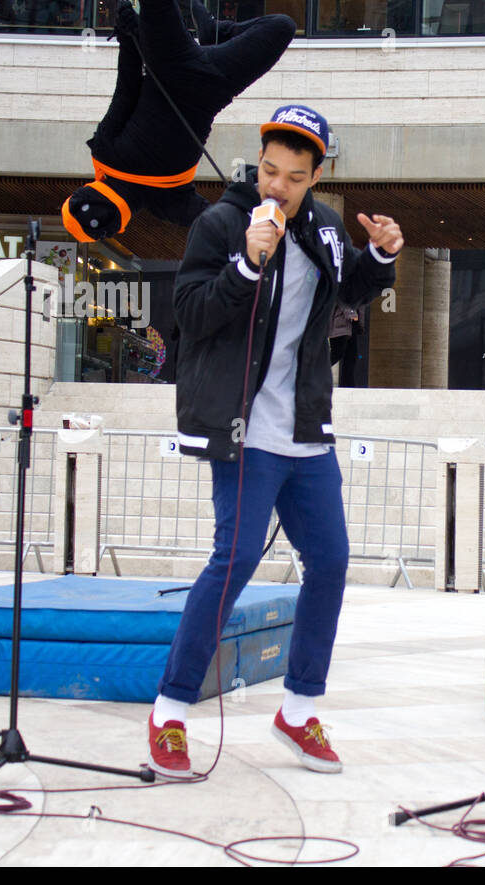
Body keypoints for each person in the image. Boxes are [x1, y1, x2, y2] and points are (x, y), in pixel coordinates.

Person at [147, 104, 403, 778]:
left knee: (332, 561)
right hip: (243, 428)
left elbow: (349, 290)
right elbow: (193, 316)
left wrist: (379, 254)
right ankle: (169, 711)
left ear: (316, 175)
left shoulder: (320, 225)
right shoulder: (223, 223)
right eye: (269, 172)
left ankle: (298, 708)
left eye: (294, 177)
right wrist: (248, 265)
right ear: (255, 165)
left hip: (304, 427)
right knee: (231, 562)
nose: (277, 188)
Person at [60, 0, 295, 244]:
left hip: (208, 82)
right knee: (281, 26)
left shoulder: (166, 204)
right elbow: (127, 89)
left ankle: (217, 35)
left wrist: (250, 197)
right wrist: (128, 34)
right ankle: (218, 34)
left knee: (282, 27)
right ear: (85, 192)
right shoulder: (105, 154)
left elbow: (215, 219)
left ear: (119, 223)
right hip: (175, 64)